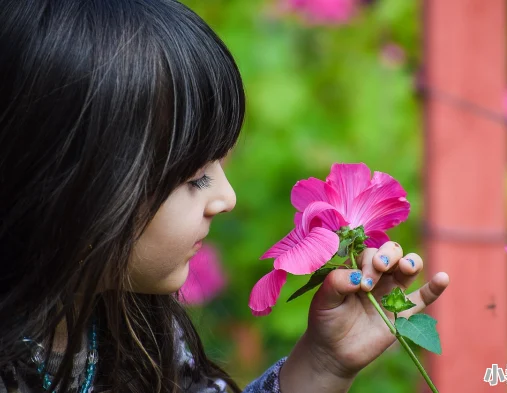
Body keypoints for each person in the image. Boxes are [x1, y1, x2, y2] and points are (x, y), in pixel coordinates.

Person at [0, 1, 450, 392]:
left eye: (220, 166)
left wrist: (322, 366)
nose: (226, 197)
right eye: (195, 178)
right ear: (65, 179)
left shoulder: (140, 330)